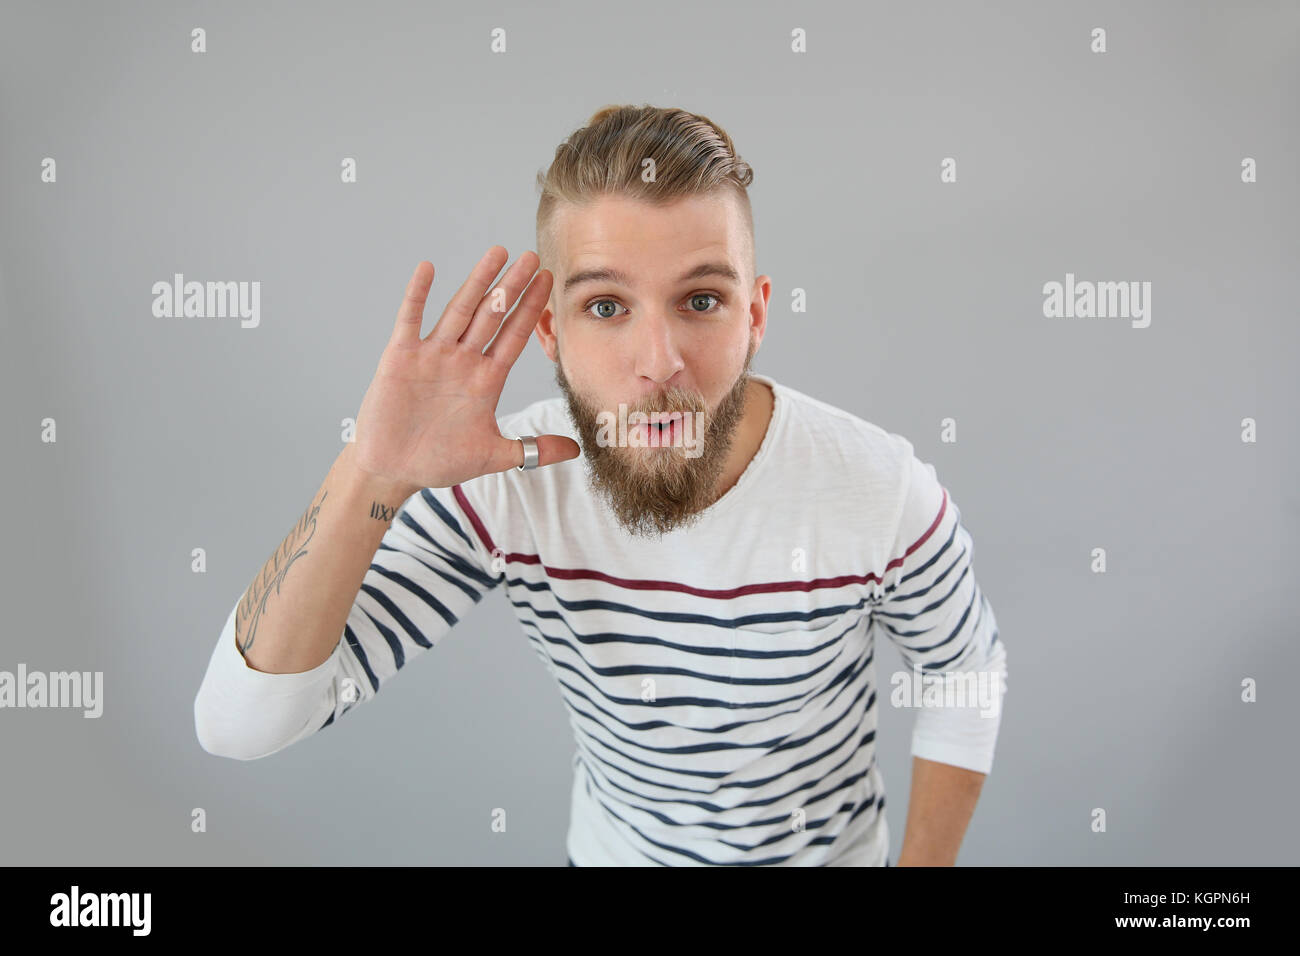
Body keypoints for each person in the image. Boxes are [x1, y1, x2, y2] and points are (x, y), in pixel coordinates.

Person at [194, 104, 1007, 866]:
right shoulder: (507, 481)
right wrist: (369, 470)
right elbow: (241, 724)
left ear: (755, 314)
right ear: (550, 328)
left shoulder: (878, 486)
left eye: (701, 299)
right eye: (607, 306)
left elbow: (965, 675)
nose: (660, 360)